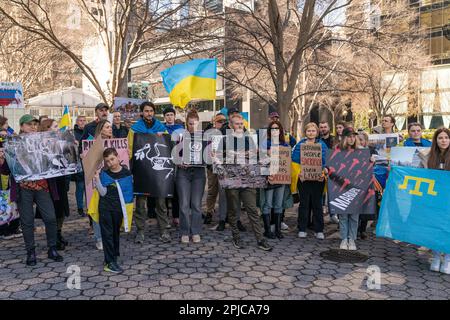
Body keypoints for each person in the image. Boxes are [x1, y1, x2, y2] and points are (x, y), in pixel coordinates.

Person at [0, 115, 63, 266]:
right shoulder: (13, 143)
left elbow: (56, 161)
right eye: (29, 125)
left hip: (42, 187)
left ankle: (52, 248)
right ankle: (31, 252)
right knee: (27, 222)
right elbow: (6, 170)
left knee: (50, 218)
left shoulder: (44, 141)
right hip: (24, 189)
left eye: (35, 124)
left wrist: (65, 146)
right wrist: (2, 160)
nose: (33, 127)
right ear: (22, 126)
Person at [215, 114, 272, 251]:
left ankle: (260, 239)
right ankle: (236, 236)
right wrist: (234, 155)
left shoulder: (249, 140)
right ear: (230, 125)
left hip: (248, 181)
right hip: (232, 181)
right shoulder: (224, 140)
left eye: (241, 123)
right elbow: (216, 159)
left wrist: (262, 157)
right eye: (237, 124)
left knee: (252, 209)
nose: (240, 126)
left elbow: (258, 158)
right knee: (234, 210)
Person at [128, 101, 171, 244]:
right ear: (142, 113)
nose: (149, 113)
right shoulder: (135, 129)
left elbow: (167, 148)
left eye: (151, 111)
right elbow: (129, 150)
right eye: (146, 111)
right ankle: (140, 231)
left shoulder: (161, 128)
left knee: (161, 202)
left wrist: (161, 137)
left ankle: (164, 230)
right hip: (141, 172)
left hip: (158, 173)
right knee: (140, 204)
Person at [92, 148, 133, 273]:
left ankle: (112, 256)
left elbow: (129, 193)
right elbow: (103, 193)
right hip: (105, 207)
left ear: (117, 157)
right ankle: (109, 263)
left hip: (119, 208)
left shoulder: (126, 173)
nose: (111, 163)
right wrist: (97, 179)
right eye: (107, 161)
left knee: (115, 232)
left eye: (112, 159)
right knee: (107, 234)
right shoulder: (105, 174)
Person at [418, 128, 450, 274]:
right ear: (435, 141)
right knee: (435, 228)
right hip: (433, 199)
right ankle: (436, 257)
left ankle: (448, 259)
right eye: (440, 138)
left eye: (446, 138)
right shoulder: (427, 156)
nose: (443, 140)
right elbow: (418, 175)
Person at [174, 110, 206, 243]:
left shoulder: (205, 136)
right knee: (184, 204)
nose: (193, 126)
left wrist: (212, 155)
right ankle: (184, 231)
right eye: (190, 124)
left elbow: (209, 156)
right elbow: (173, 154)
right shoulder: (180, 136)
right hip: (183, 173)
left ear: (199, 123)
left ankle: (196, 231)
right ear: (187, 124)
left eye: (195, 124)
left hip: (199, 173)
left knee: (196, 205)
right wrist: (179, 162)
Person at [38, 119, 71, 251]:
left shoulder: (60, 142)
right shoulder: (40, 144)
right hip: (48, 183)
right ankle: (53, 239)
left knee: (61, 209)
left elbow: (67, 157)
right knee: (51, 212)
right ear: (47, 128)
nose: (58, 129)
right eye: (55, 126)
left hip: (60, 180)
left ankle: (58, 233)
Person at [292, 122, 328, 240]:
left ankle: (319, 229)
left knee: (317, 204)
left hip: (318, 179)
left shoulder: (322, 145)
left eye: (313, 131)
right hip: (304, 179)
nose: (311, 133)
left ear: (316, 132)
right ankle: (302, 228)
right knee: (304, 204)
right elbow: (295, 160)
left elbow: (326, 161)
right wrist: (299, 172)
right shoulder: (300, 145)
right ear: (305, 132)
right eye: (309, 131)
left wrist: (323, 173)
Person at [335, 127, 363, 251]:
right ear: (344, 137)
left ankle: (352, 239)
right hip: (342, 186)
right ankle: (343, 239)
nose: (352, 138)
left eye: (353, 136)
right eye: (349, 136)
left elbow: (365, 168)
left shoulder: (361, 150)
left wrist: (371, 161)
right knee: (343, 215)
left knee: (354, 215)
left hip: (356, 186)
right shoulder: (338, 150)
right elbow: (332, 165)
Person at [260, 120, 289, 240]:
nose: (275, 131)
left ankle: (277, 230)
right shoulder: (265, 143)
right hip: (269, 177)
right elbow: (261, 160)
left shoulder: (285, 145)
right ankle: (267, 230)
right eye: (272, 128)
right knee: (267, 204)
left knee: (278, 204)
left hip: (281, 177)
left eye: (277, 128)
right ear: (269, 131)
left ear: (280, 130)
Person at [204, 113, 228, 229]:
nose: (222, 123)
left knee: (224, 191)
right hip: (211, 165)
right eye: (219, 121)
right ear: (214, 122)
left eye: (224, 121)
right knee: (212, 190)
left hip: (225, 166)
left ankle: (225, 215)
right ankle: (209, 212)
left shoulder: (228, 131)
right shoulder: (209, 132)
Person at [0, 116, 21, 240]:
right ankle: (5, 230)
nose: (8, 125)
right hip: (4, 173)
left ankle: (10, 228)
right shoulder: (4, 135)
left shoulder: (9, 133)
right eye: (6, 123)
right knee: (5, 201)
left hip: (7, 173)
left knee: (7, 201)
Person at [162, 106, 183, 227]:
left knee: (176, 190)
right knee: (165, 189)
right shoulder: (161, 128)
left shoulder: (180, 128)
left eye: (171, 115)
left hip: (177, 161)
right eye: (167, 115)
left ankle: (176, 216)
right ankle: (165, 216)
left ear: (174, 116)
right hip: (165, 161)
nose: (169, 117)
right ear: (164, 117)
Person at [73, 116, 87, 217]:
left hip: (89, 164)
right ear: (77, 122)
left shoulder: (88, 132)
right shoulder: (73, 134)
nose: (82, 122)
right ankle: (80, 208)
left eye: (84, 121)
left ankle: (89, 206)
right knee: (80, 187)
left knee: (89, 188)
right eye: (80, 121)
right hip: (78, 164)